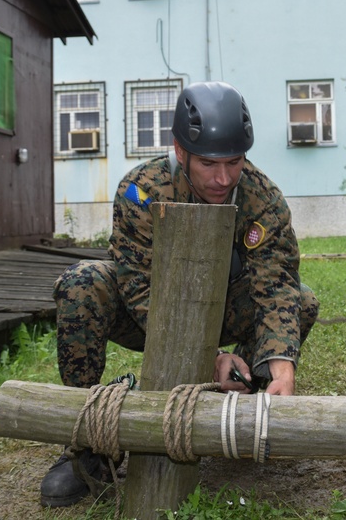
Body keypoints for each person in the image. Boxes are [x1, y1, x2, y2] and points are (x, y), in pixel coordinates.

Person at [40, 81, 319, 507]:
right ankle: (85, 443)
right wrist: (205, 356)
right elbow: (139, 288)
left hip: (225, 306)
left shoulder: (263, 198)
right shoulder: (140, 191)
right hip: (152, 313)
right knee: (83, 282)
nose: (223, 178)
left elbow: (276, 284)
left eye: (235, 162)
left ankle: (246, 403)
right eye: (208, 163)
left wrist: (281, 367)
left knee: (302, 298)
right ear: (179, 148)